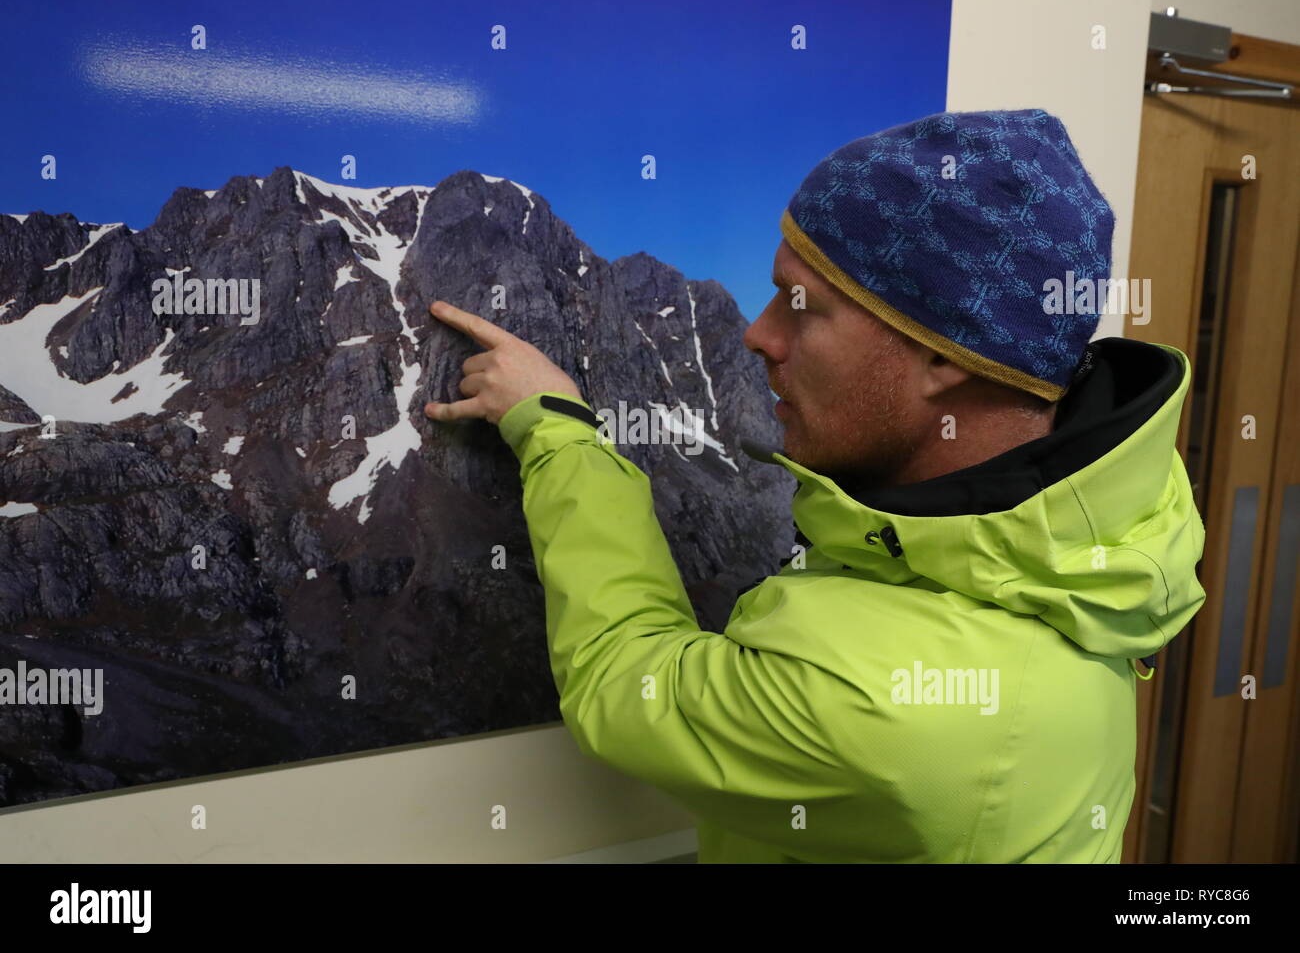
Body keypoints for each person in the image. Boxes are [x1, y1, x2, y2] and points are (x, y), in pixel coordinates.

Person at [423, 108, 1208, 863]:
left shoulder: (891, 709)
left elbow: (628, 678)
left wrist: (557, 428)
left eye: (804, 305)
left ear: (946, 358)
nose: (759, 334)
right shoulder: (1096, 544)